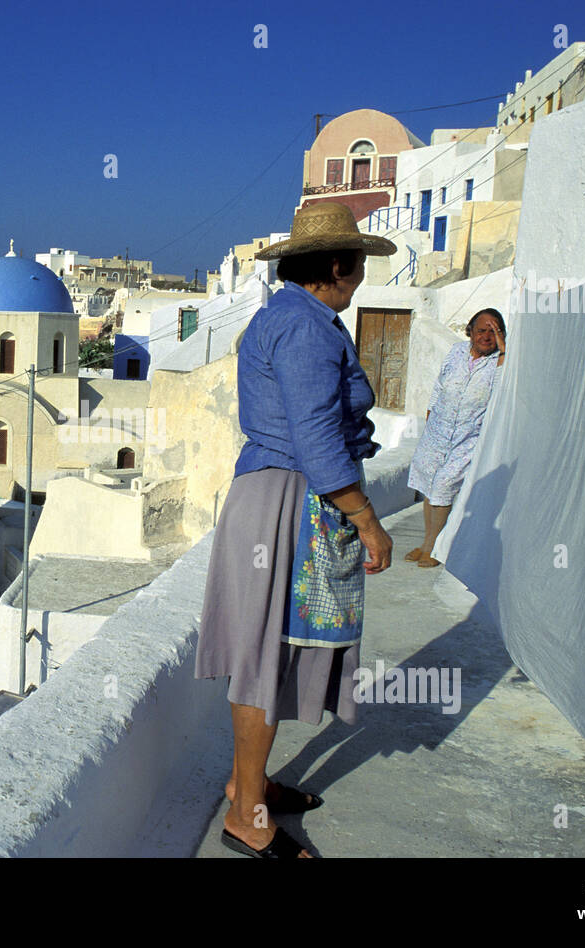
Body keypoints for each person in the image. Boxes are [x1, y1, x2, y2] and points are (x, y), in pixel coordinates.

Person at [195, 201, 395, 859]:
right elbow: (313, 434)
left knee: (269, 653)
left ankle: (245, 782)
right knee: (264, 657)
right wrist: (367, 521)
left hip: (277, 495)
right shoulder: (307, 330)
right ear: (337, 265)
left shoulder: (290, 317)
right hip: (287, 501)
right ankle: (246, 815)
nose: (362, 272)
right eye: (359, 262)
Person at [405, 308, 506, 567]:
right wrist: (431, 410)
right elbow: (440, 383)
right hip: (437, 431)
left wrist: (503, 349)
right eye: (481, 330)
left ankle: (433, 548)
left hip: (467, 437)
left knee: (443, 487)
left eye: (494, 331)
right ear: (470, 331)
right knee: (429, 484)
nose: (487, 336)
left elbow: (503, 386)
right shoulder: (457, 351)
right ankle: (427, 542)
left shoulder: (500, 362)